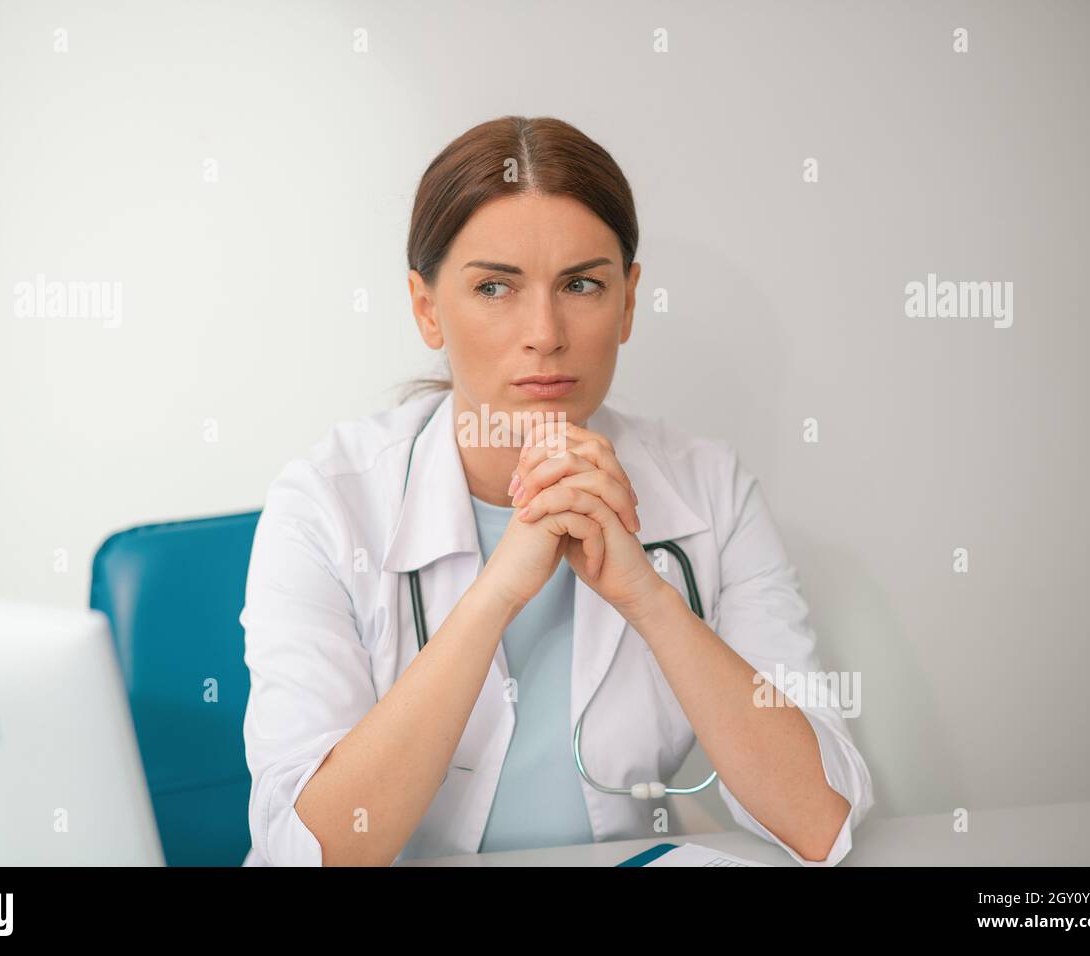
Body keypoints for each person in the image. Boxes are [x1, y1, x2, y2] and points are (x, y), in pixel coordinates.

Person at [240, 115, 873, 867]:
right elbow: (306, 853)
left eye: (581, 284)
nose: (545, 332)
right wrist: (498, 591)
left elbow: (818, 822)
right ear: (425, 307)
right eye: (494, 287)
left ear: (629, 301)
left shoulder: (711, 491)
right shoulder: (325, 504)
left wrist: (647, 597)